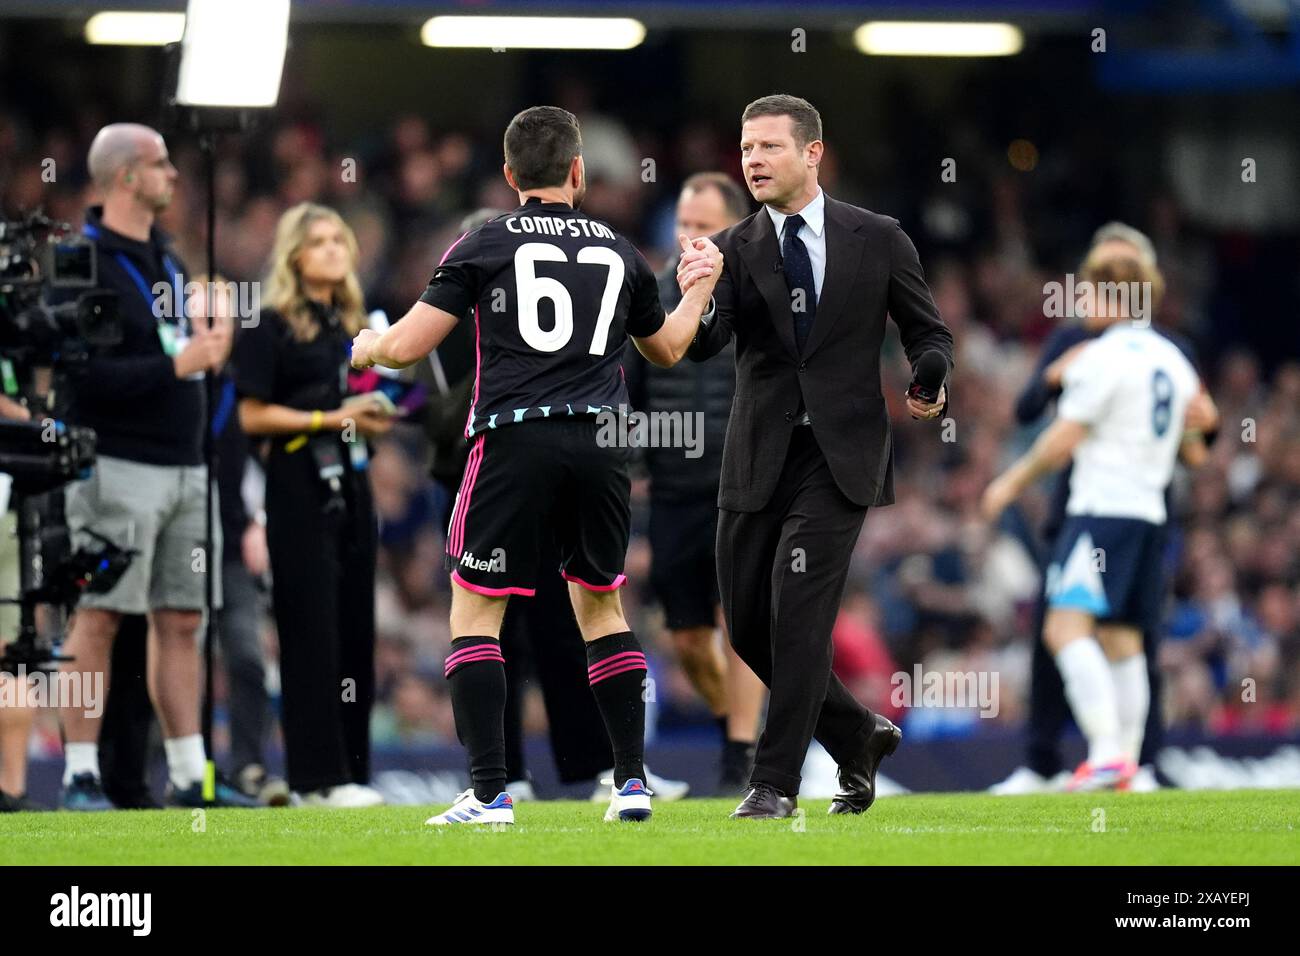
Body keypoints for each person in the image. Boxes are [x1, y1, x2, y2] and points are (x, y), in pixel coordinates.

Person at [350, 105, 722, 825]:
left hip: (513, 440)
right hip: (604, 443)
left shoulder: (485, 239)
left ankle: (490, 792)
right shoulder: (619, 249)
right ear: (579, 172)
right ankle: (632, 783)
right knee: (602, 607)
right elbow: (669, 348)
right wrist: (700, 287)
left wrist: (366, 347)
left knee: (478, 609)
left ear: (508, 174)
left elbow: (407, 345)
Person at [680, 94, 953, 819]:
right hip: (757, 455)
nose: (753, 161)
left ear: (812, 153)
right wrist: (698, 294)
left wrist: (929, 378)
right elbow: (707, 344)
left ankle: (773, 784)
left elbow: (929, 333)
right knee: (746, 626)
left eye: (768, 147)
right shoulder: (736, 247)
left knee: (798, 616)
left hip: (841, 460)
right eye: (745, 149)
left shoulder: (880, 237)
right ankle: (857, 734)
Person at [56, 123, 255, 810]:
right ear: (126, 177)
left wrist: (207, 348)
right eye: (161, 164)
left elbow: (180, 350)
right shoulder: (82, 260)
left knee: (181, 619)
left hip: (185, 469)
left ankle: (189, 773)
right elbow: (78, 378)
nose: (175, 175)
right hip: (116, 467)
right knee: (99, 614)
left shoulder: (167, 259)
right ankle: (81, 773)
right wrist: (177, 363)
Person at [991, 223, 1219, 795]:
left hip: (1098, 512)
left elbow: (1062, 439)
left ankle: (1107, 754)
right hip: (1147, 514)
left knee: (1065, 628)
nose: (1078, 304)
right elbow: (1193, 446)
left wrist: (1010, 483)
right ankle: (1129, 767)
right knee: (1123, 639)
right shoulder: (1172, 356)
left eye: (1086, 293)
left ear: (1108, 295)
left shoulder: (1103, 355)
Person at [233, 202, 390, 808]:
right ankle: (314, 778)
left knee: (355, 624)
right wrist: (332, 417)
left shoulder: (354, 324)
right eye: (318, 240)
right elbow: (250, 414)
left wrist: (375, 413)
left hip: (352, 479)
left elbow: (379, 396)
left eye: (338, 239)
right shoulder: (269, 324)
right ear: (294, 254)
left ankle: (351, 773)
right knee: (310, 628)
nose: (331, 249)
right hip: (297, 476)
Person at [624, 172, 765, 793]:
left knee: (742, 625)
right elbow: (625, 397)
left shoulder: (760, 297)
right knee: (686, 637)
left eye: (704, 227)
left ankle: (740, 755)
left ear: (733, 232)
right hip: (675, 492)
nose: (690, 238)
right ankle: (739, 726)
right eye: (683, 225)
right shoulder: (648, 296)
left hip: (743, 487)